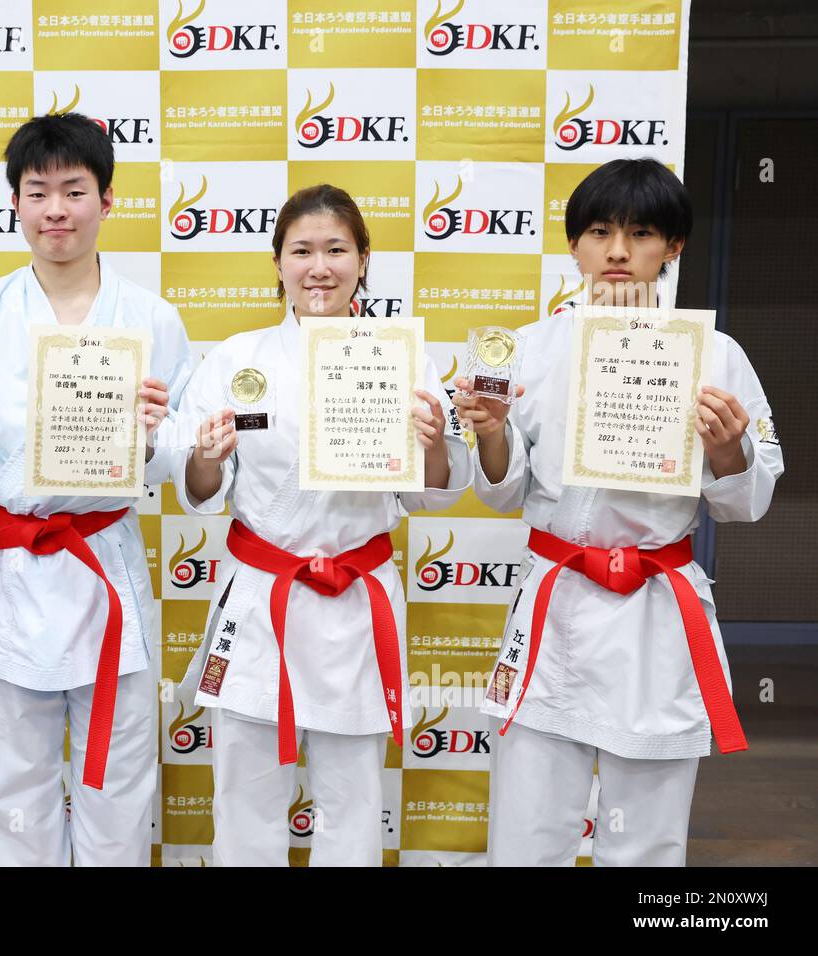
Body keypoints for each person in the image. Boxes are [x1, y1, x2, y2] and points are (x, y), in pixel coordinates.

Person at [455, 158, 784, 866]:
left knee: (645, 839)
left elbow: (750, 499)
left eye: (640, 233)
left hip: (655, 616)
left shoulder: (718, 358)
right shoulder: (529, 351)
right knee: (527, 833)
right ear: (573, 244)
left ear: (673, 247)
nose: (616, 251)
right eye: (599, 231)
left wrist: (730, 451)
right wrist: (489, 432)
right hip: (558, 604)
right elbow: (504, 492)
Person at [0, 112, 192, 866]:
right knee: (14, 781)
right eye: (38, 192)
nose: (56, 211)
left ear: (108, 200)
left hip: (104, 561)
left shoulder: (152, 320)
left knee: (119, 774)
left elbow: (180, 453)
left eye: (75, 191)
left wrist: (147, 440)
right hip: (17, 566)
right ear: (14, 203)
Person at [170, 184, 472, 866]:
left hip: (354, 603)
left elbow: (433, 496)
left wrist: (430, 443)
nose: (319, 267)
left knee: (353, 796)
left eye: (337, 249)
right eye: (301, 250)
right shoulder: (235, 360)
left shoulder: (404, 359)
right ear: (277, 263)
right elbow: (199, 492)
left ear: (364, 261)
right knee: (245, 793)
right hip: (260, 598)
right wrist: (204, 458)